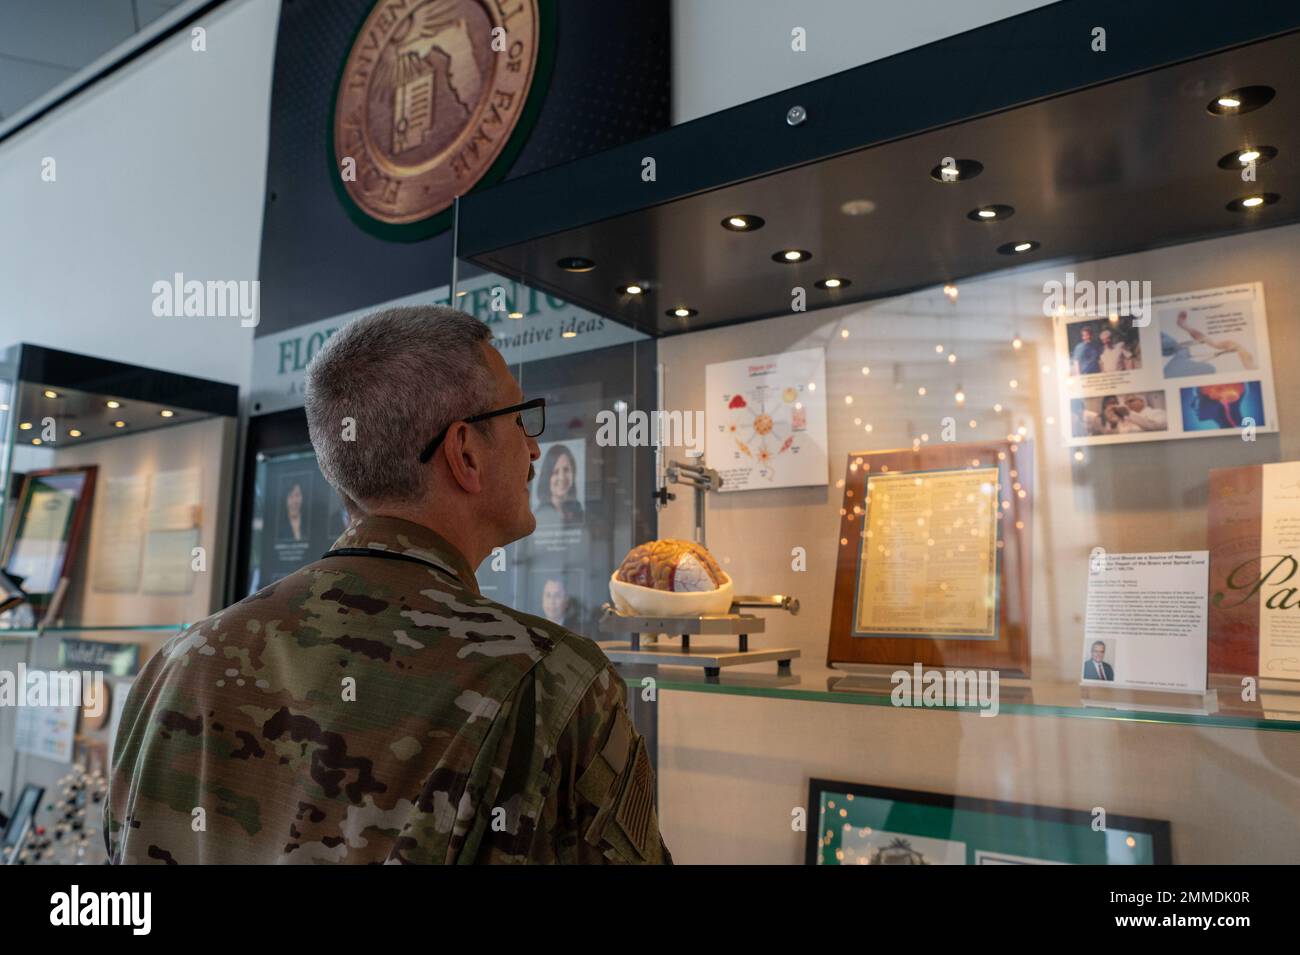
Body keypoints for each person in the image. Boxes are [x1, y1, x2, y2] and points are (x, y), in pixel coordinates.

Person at [106, 305, 670, 865]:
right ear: (465, 453)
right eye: (521, 419)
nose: (534, 448)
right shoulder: (550, 680)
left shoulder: (178, 663)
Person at [535, 444, 584, 524]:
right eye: (555, 472)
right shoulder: (540, 517)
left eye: (566, 470)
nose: (562, 477)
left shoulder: (579, 513)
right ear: (547, 477)